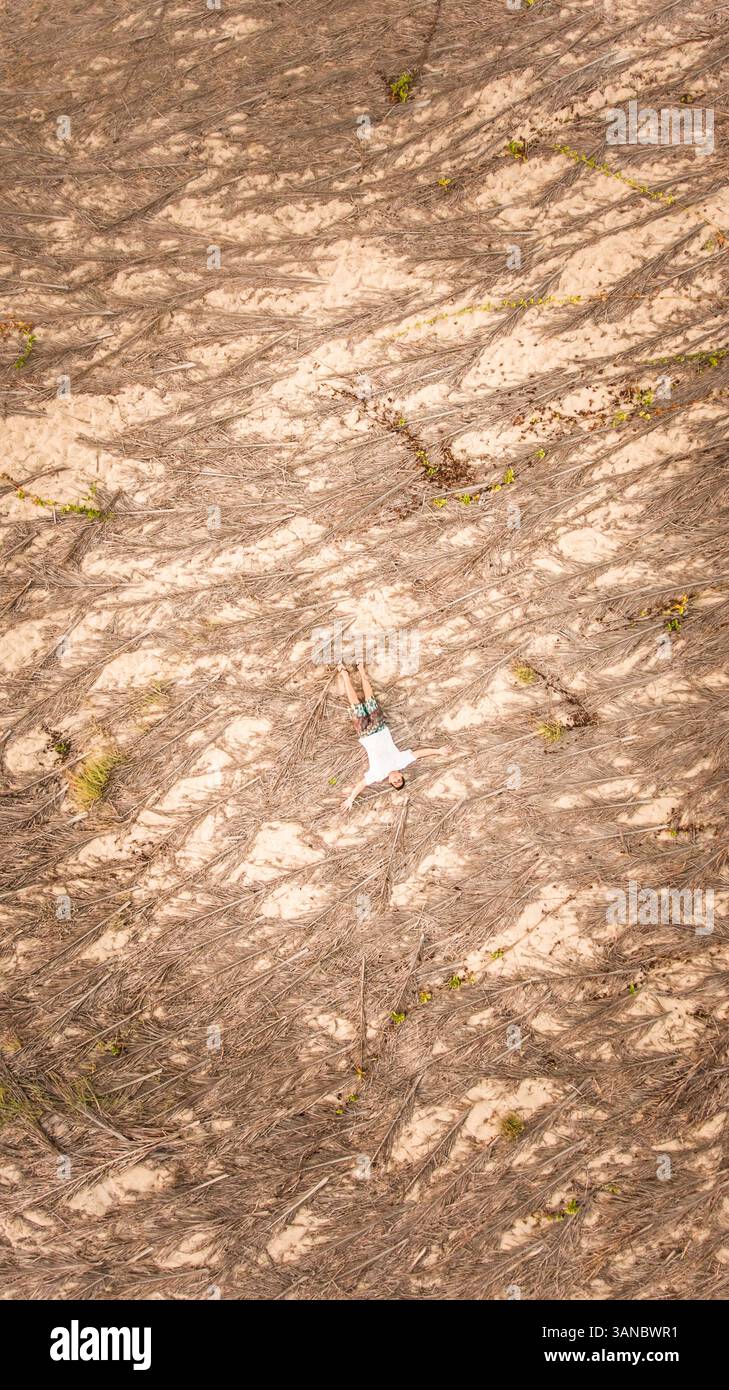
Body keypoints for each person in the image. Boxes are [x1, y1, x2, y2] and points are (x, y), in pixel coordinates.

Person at [337, 661, 452, 812]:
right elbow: (419, 754)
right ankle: (361, 671)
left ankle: (345, 675)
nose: (397, 779)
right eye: (400, 780)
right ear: (401, 775)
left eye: (395, 782)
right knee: (370, 699)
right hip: (380, 728)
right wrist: (438, 751)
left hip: (365, 734)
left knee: (355, 704)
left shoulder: (377, 775)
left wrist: (351, 798)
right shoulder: (401, 762)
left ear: (390, 782)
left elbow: (362, 784)